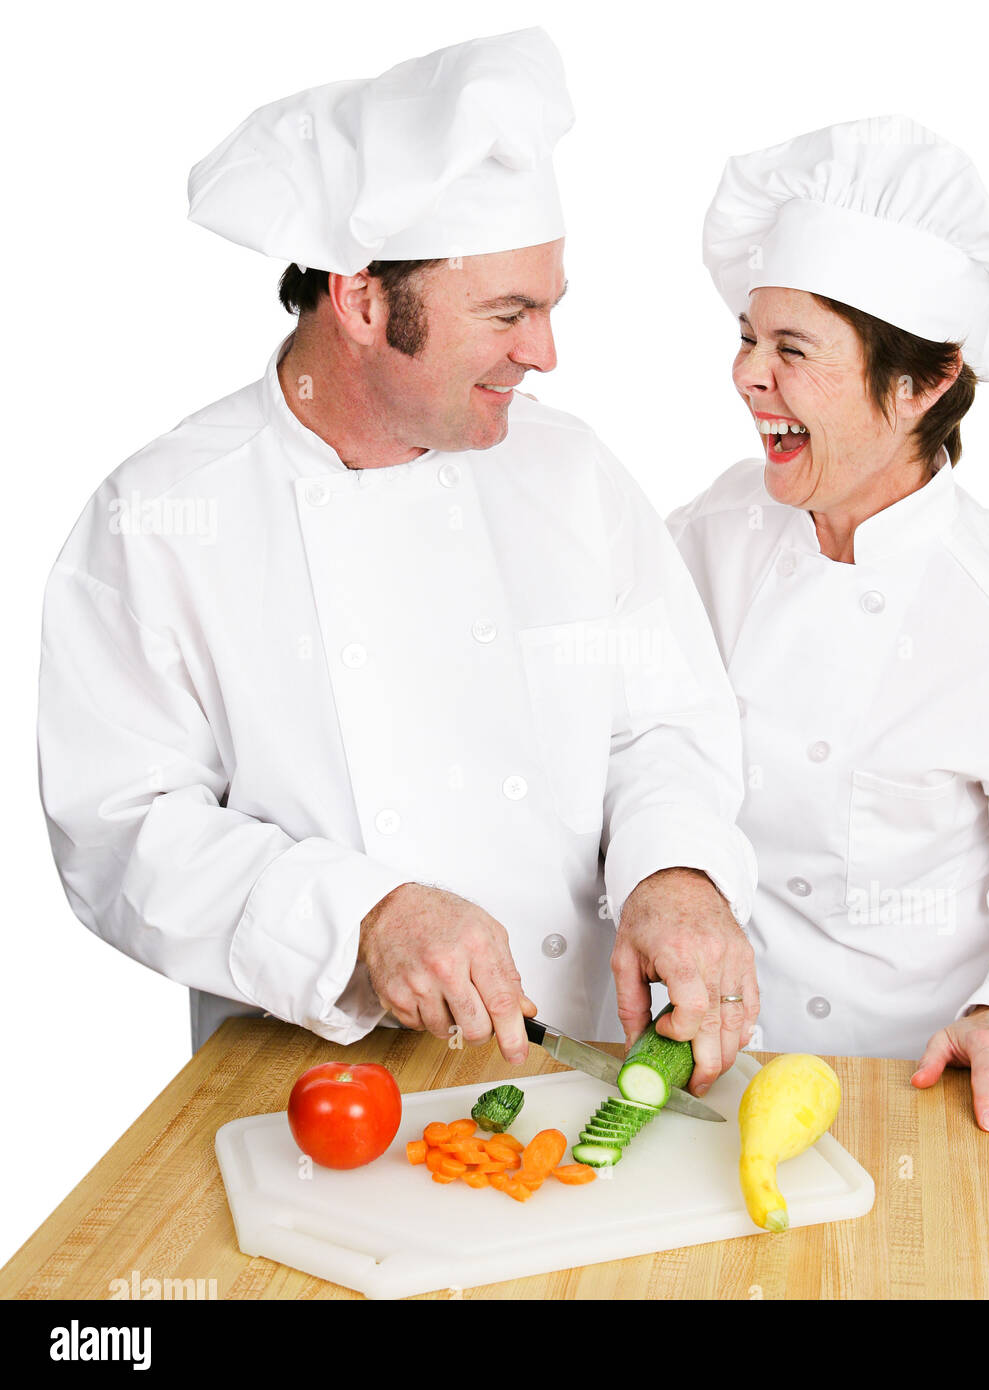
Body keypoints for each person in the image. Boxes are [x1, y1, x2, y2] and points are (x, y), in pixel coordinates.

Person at [37, 29, 759, 1093]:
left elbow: (661, 724)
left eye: (551, 306)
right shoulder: (159, 515)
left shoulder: (572, 473)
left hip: (582, 1063)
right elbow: (120, 831)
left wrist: (679, 870)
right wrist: (362, 914)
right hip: (313, 1086)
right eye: (510, 314)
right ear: (365, 301)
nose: (545, 353)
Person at [667, 115, 989, 1136]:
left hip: (913, 1100)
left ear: (924, 383)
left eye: (791, 350)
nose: (747, 376)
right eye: (746, 340)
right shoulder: (709, 535)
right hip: (693, 1074)